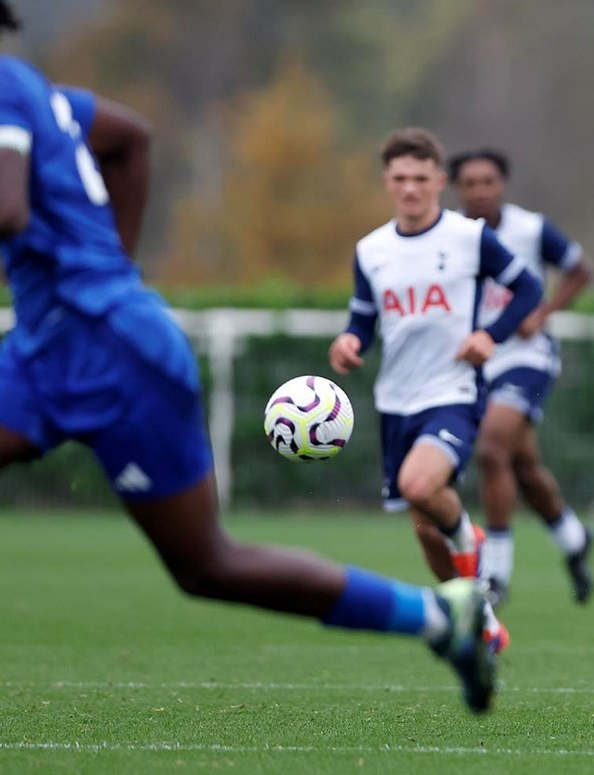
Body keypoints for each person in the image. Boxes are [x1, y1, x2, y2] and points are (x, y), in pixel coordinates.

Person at [0, 4, 495, 713]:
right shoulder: (37, 93)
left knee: (207, 564)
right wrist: (114, 271)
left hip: (117, 351)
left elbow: (9, 209)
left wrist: (109, 285)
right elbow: (129, 139)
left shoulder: (8, 89)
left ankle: (439, 615)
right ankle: (442, 617)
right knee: (208, 567)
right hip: (50, 347)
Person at [329, 131, 545, 653]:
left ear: (439, 182)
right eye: (399, 179)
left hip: (451, 391)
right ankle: (479, 622)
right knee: (426, 529)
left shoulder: (468, 237)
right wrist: (348, 342)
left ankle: (474, 550)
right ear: (387, 182)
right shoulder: (371, 249)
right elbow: (363, 317)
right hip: (394, 402)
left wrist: (488, 335)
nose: (409, 189)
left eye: (420, 179)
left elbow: (530, 288)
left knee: (422, 487)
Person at [447, 148, 594, 608]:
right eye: (469, 183)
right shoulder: (449, 236)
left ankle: (496, 575)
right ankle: (574, 540)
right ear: (457, 189)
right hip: (476, 361)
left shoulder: (530, 229)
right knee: (523, 469)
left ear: (502, 184)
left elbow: (579, 270)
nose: (479, 191)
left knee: (491, 450)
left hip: (527, 357)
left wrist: (544, 312)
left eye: (487, 181)